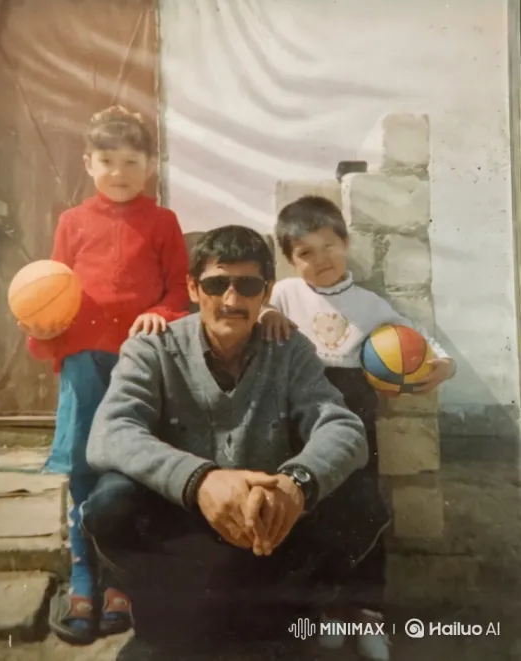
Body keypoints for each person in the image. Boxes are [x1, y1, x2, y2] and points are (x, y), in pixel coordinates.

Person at [81, 225, 389, 654]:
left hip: (267, 526)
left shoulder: (288, 349)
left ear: (265, 292)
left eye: (247, 286)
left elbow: (341, 426)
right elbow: (111, 432)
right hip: (184, 526)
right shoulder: (153, 349)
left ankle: (285, 609)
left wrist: (295, 483)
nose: (231, 300)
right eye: (216, 284)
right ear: (192, 287)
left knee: (361, 501)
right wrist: (201, 481)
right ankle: (177, 613)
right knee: (110, 502)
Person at [259, 195, 457, 660]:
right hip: (298, 414)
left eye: (328, 245)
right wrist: (267, 314)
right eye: (304, 253)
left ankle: (365, 612)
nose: (320, 259)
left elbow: (416, 340)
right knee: (306, 512)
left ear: (345, 242)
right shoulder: (285, 296)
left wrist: (441, 365)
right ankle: (319, 612)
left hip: (354, 412)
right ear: (289, 261)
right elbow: (258, 316)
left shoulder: (368, 304)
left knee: (364, 510)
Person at [20, 106, 189, 644]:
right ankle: (82, 580)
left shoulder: (162, 222)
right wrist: (41, 325)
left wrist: (160, 315)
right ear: (88, 163)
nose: (119, 172)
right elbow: (51, 291)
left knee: (135, 467)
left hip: (140, 364)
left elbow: (179, 294)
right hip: (84, 364)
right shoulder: (72, 223)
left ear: (150, 166)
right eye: (108, 160)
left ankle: (122, 582)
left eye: (132, 161)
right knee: (83, 471)